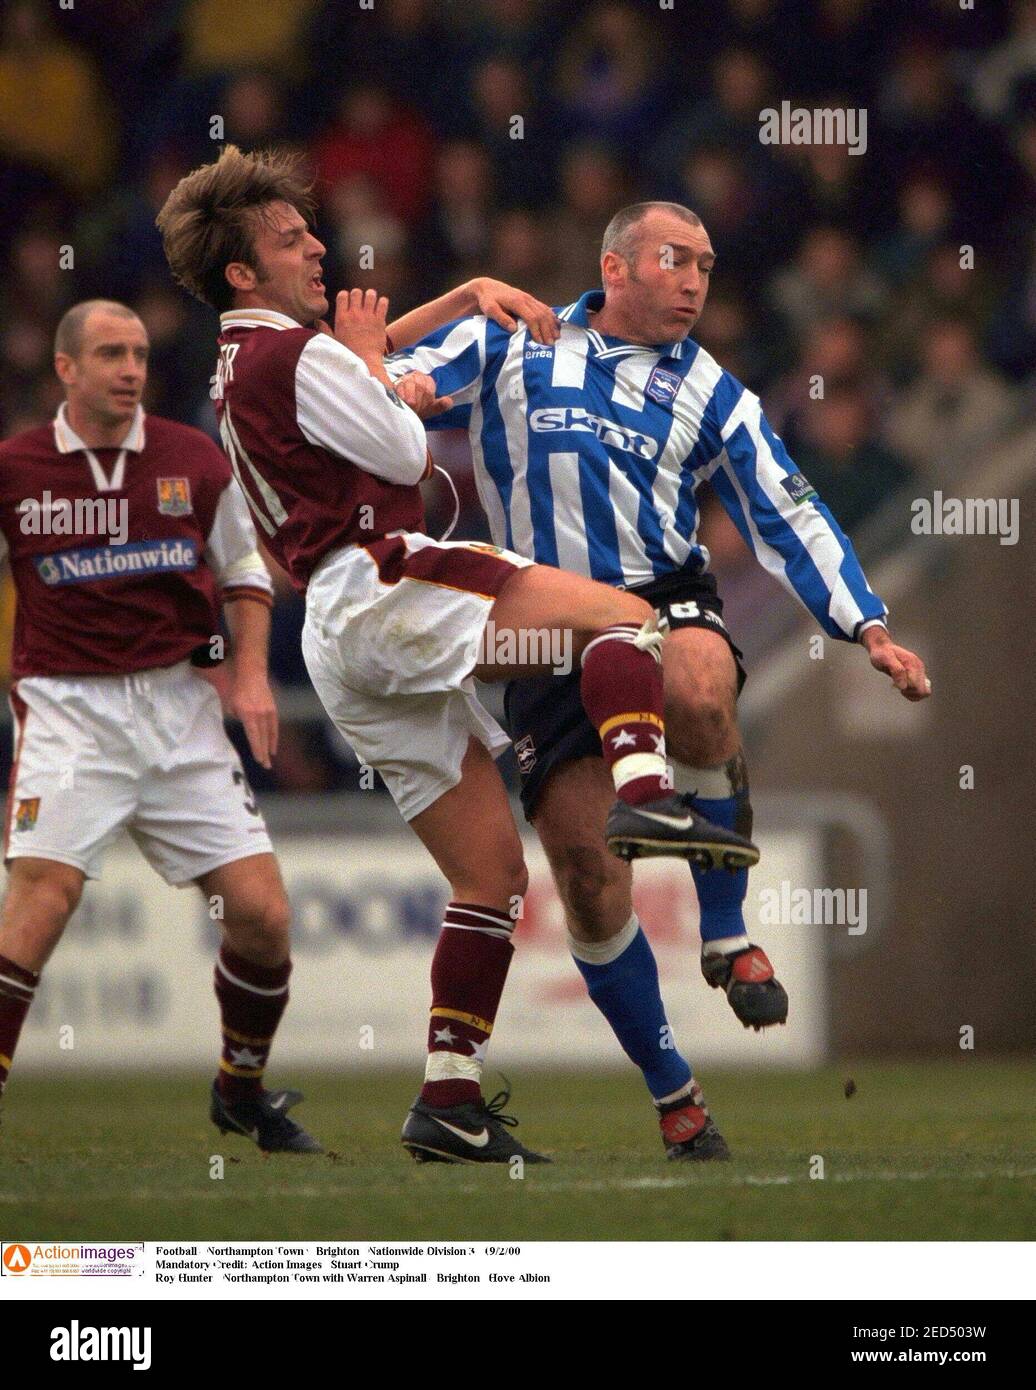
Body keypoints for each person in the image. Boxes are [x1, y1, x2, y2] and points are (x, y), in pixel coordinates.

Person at [156, 148, 755, 1165]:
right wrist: (365, 365)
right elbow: (398, 446)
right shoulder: (299, 357)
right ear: (244, 273)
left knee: (489, 876)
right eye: (289, 238)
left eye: (308, 229)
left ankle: (449, 1092)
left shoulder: (245, 359)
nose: (316, 245)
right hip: (388, 585)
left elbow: (359, 367)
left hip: (347, 647)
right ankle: (649, 789)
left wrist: (460, 298)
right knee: (623, 620)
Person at [386, 201, 931, 1159]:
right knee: (592, 882)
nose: (694, 282)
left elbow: (785, 509)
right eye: (676, 259)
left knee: (701, 680)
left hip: (661, 597)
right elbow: (386, 393)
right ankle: (675, 1093)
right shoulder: (513, 338)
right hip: (538, 623)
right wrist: (400, 385)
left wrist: (867, 623)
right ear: (616, 265)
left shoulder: (713, 390)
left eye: (709, 267)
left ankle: (725, 932)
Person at [0, 298, 320, 1154]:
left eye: (138, 352)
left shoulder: (192, 456)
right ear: (65, 368)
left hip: (179, 711)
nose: (131, 368)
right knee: (42, 904)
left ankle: (240, 1090)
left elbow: (246, 573)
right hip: (71, 713)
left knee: (262, 918)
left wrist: (249, 675)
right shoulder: (16, 467)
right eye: (109, 353)